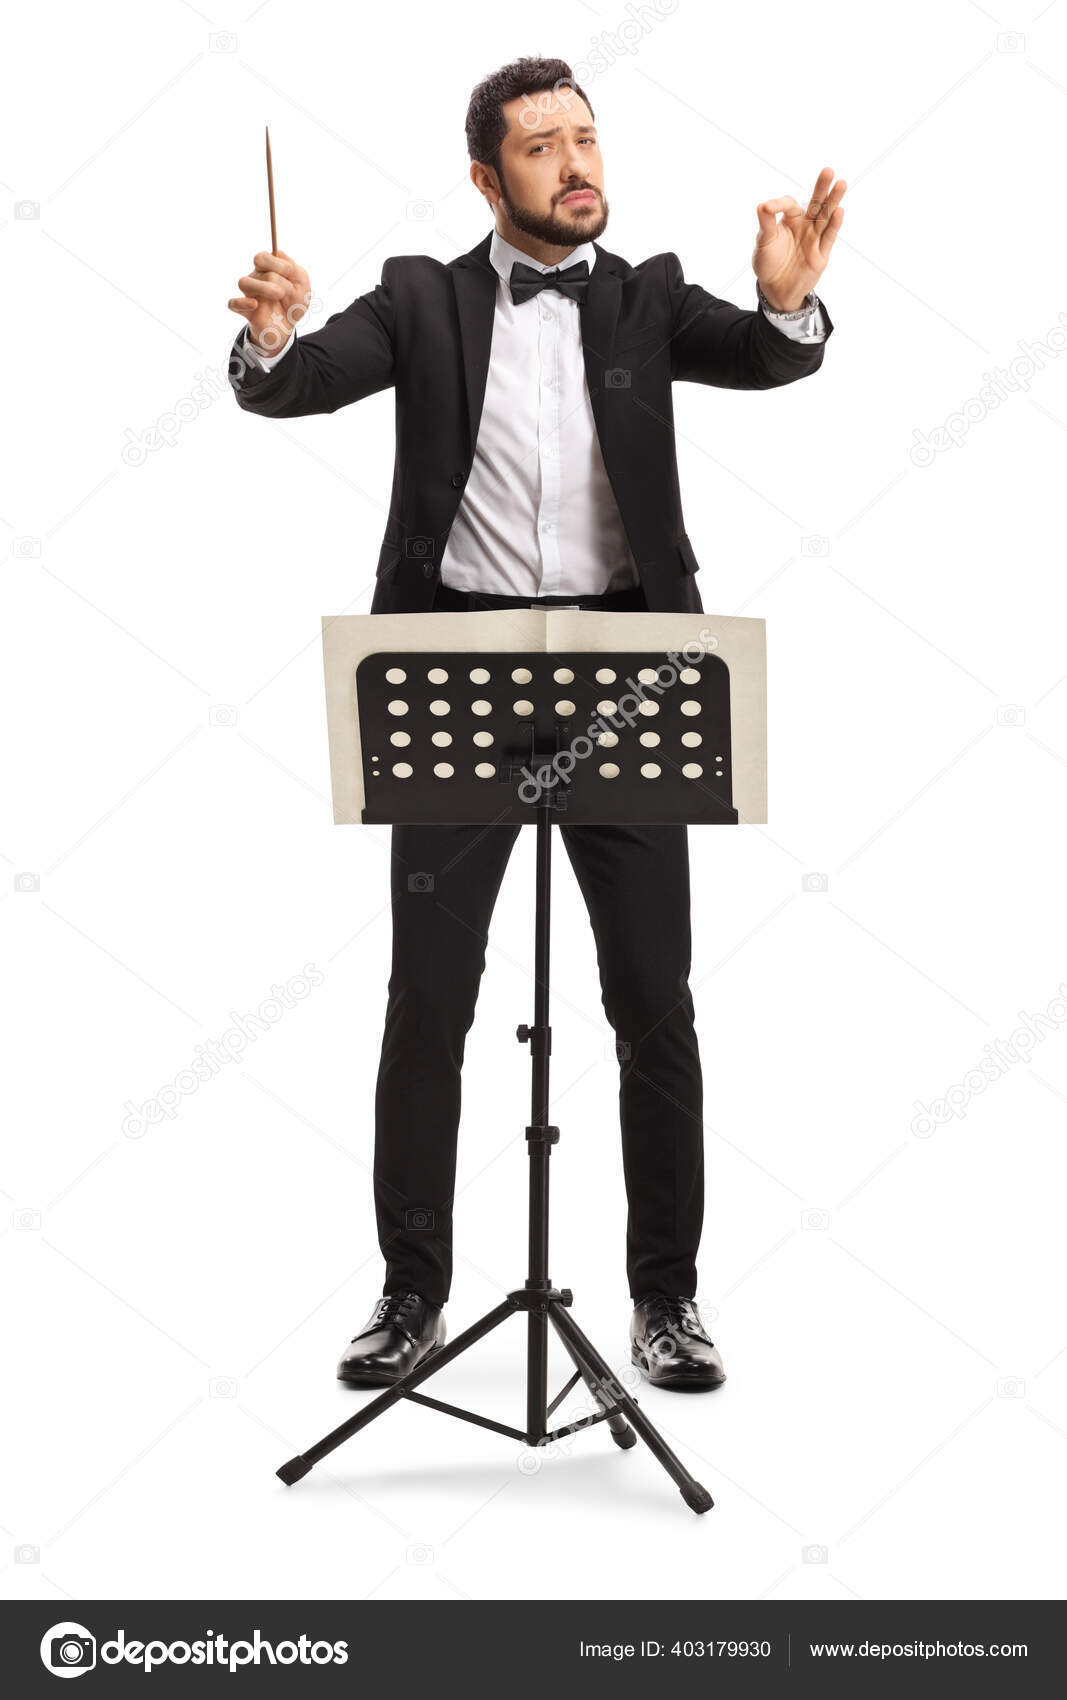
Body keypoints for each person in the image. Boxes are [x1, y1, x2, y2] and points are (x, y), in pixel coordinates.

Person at [227, 54, 844, 1393]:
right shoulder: (421, 299)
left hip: (625, 674)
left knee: (652, 1004)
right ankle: (411, 1296)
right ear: (484, 177)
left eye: (586, 139)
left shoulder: (646, 296)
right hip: (456, 671)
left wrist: (788, 305)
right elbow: (300, 383)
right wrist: (273, 336)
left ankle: (666, 1302)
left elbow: (762, 358)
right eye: (541, 147)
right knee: (428, 1004)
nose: (576, 165)